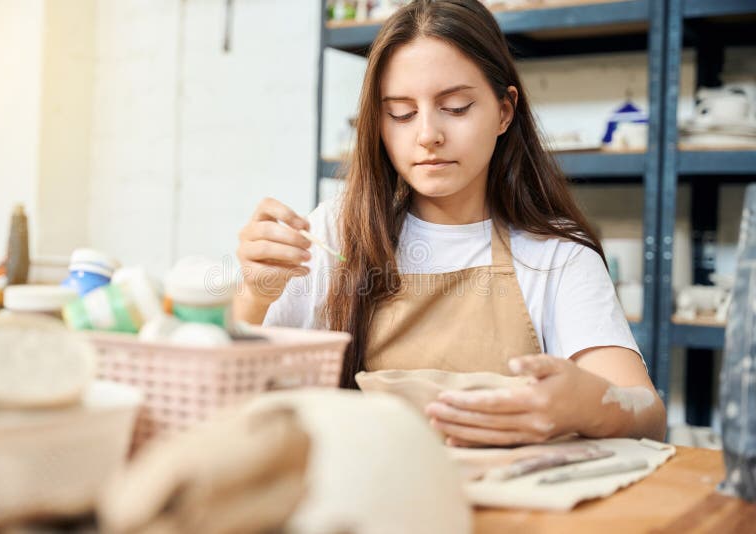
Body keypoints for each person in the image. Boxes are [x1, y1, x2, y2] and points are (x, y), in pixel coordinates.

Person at [233, 0, 666, 446]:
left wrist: (584, 405)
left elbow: (647, 412)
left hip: (509, 488)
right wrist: (254, 296)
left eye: (456, 107)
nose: (427, 135)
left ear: (504, 111)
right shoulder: (333, 234)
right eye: (401, 113)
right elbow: (230, 390)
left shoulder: (555, 255)